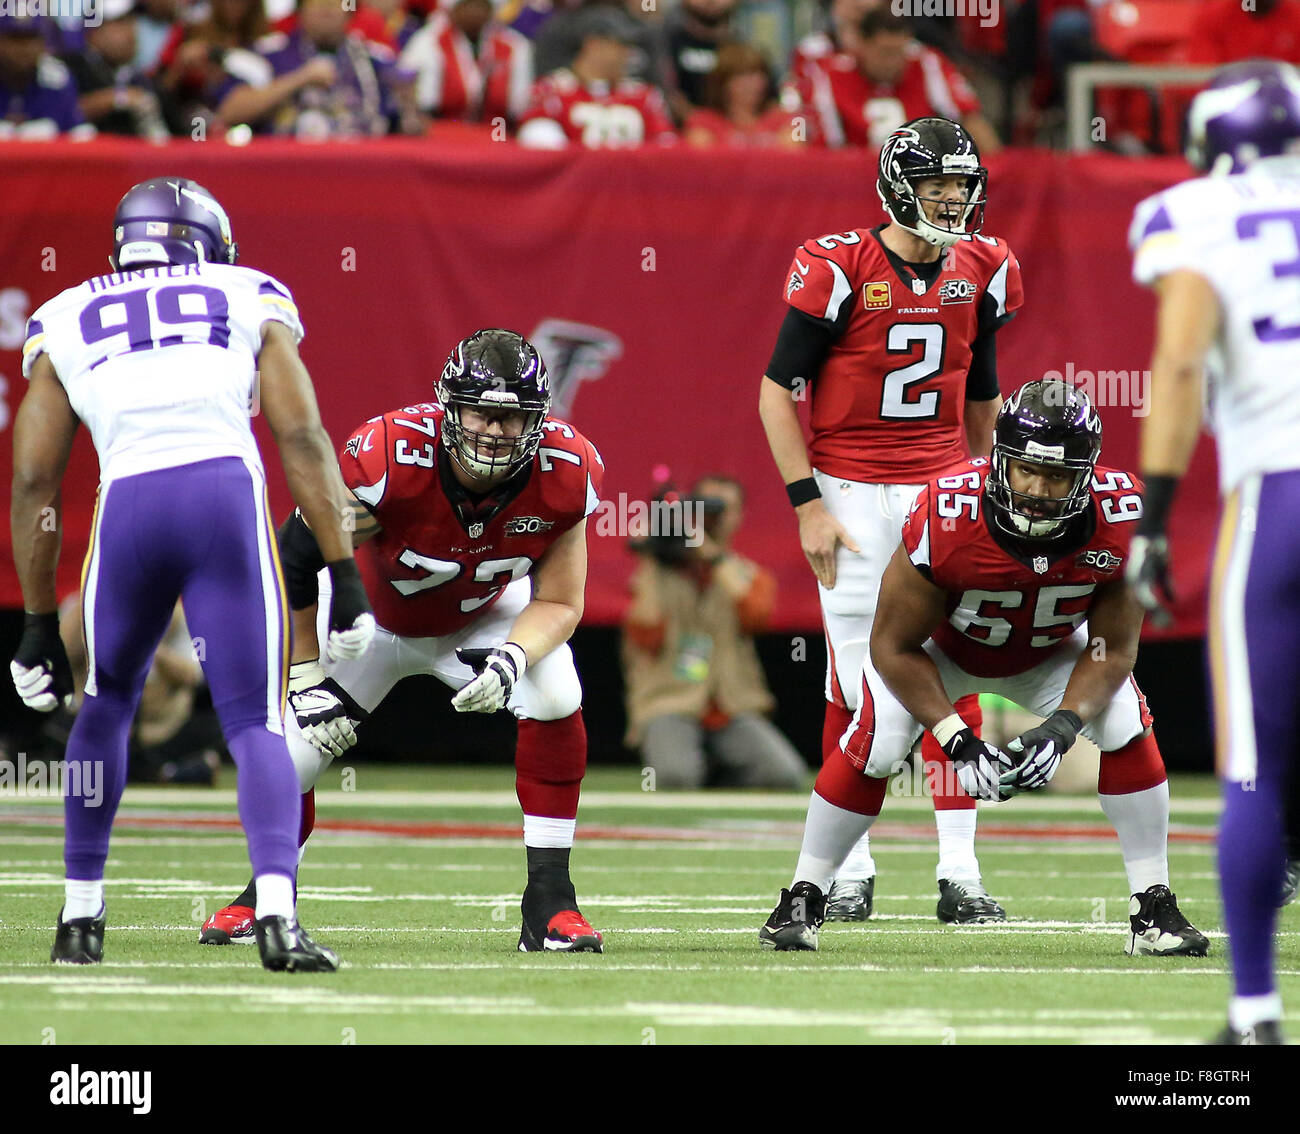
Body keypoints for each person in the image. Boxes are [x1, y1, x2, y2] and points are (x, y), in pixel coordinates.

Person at [10, 177, 375, 971]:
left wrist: (39, 624)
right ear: (206, 243)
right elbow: (303, 435)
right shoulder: (245, 291)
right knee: (257, 723)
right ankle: (276, 915)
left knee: (103, 706)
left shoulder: (66, 313)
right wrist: (344, 570)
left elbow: (35, 481)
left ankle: (79, 920)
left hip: (129, 509)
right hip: (221, 500)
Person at [760, 381, 1208, 962]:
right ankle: (803, 898)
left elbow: (1113, 650)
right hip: (947, 651)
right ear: (998, 460)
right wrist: (956, 739)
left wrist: (1063, 728)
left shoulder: (1122, 514)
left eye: (1058, 477)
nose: (1039, 492)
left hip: (1050, 652)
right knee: (876, 742)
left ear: (1088, 475)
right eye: (1026, 471)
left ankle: (1153, 907)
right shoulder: (947, 514)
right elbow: (891, 646)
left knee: (1125, 720)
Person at [199, 328, 606, 954]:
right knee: (288, 762)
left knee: (556, 691)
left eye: (512, 416)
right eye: (483, 413)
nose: (496, 430)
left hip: (483, 617)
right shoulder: (390, 457)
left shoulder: (564, 471)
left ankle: (550, 901)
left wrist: (512, 656)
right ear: (451, 411)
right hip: (369, 619)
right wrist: (303, 677)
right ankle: (265, 893)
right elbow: (293, 560)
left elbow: (560, 601)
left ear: (538, 419)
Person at [757, 116, 1022, 924]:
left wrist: (990, 489)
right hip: (850, 490)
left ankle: (960, 872)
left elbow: (983, 393)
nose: (953, 201)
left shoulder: (985, 265)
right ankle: (850, 868)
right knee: (853, 680)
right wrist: (806, 505)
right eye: (939, 185)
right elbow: (776, 393)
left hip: (942, 488)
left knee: (958, 663)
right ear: (899, 185)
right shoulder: (837, 264)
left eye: (963, 187)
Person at [1126, 59, 1300, 1045]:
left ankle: (1253, 1011)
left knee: (1250, 770)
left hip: (1277, 496)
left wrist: (1153, 517)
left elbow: (1181, 360)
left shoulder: (1190, 213)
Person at [622, 476, 807, 790]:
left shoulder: (747, 573)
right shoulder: (657, 573)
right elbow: (645, 635)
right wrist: (652, 552)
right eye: (705, 507)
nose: (713, 517)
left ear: (739, 516)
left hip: (733, 705)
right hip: (670, 701)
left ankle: (717, 778)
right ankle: (695, 770)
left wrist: (712, 555)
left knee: (783, 774)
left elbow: (756, 617)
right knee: (674, 777)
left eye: (724, 509)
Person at [797, 8, 999, 153]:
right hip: (854, 182)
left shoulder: (927, 64)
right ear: (861, 46)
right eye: (885, 52)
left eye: (900, 52)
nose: (893, 62)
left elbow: (972, 120)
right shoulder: (830, 76)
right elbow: (816, 146)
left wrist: (995, 168)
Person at [215, 0, 422, 137]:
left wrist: (410, 108)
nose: (326, 9)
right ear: (300, 10)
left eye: (335, 2)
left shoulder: (377, 59)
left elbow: (410, 129)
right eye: (317, 1)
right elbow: (230, 112)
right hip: (286, 173)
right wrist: (300, 79)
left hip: (361, 173)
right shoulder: (267, 54)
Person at [517, 5, 674, 148]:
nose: (627, 54)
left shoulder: (644, 96)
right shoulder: (552, 91)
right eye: (620, 45)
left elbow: (665, 148)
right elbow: (537, 144)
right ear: (593, 45)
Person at [399, 0, 533, 127]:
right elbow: (420, 102)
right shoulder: (428, 42)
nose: (475, 12)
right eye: (468, 4)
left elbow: (519, 106)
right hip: (442, 129)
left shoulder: (514, 46)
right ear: (453, 9)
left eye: (481, 5)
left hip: (496, 131)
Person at [63, 0, 171, 139]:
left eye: (132, 21)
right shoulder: (71, 67)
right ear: (94, 31)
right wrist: (119, 98)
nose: (131, 31)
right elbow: (64, 113)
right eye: (120, 22)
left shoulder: (140, 78)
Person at [682, 42, 802, 149]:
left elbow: (797, 155)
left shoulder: (788, 119)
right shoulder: (701, 121)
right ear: (723, 82)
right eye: (745, 76)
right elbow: (700, 161)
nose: (757, 83)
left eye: (761, 75)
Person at [0, 12, 87, 138]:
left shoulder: (57, 78)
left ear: (44, 43)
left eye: (32, 38)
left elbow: (78, 134)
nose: (24, 48)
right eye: (15, 38)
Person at [658, 0, 735, 123]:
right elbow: (663, 91)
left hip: (731, 130)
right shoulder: (664, 42)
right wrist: (696, 120)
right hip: (679, 129)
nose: (710, 2)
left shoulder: (743, 46)